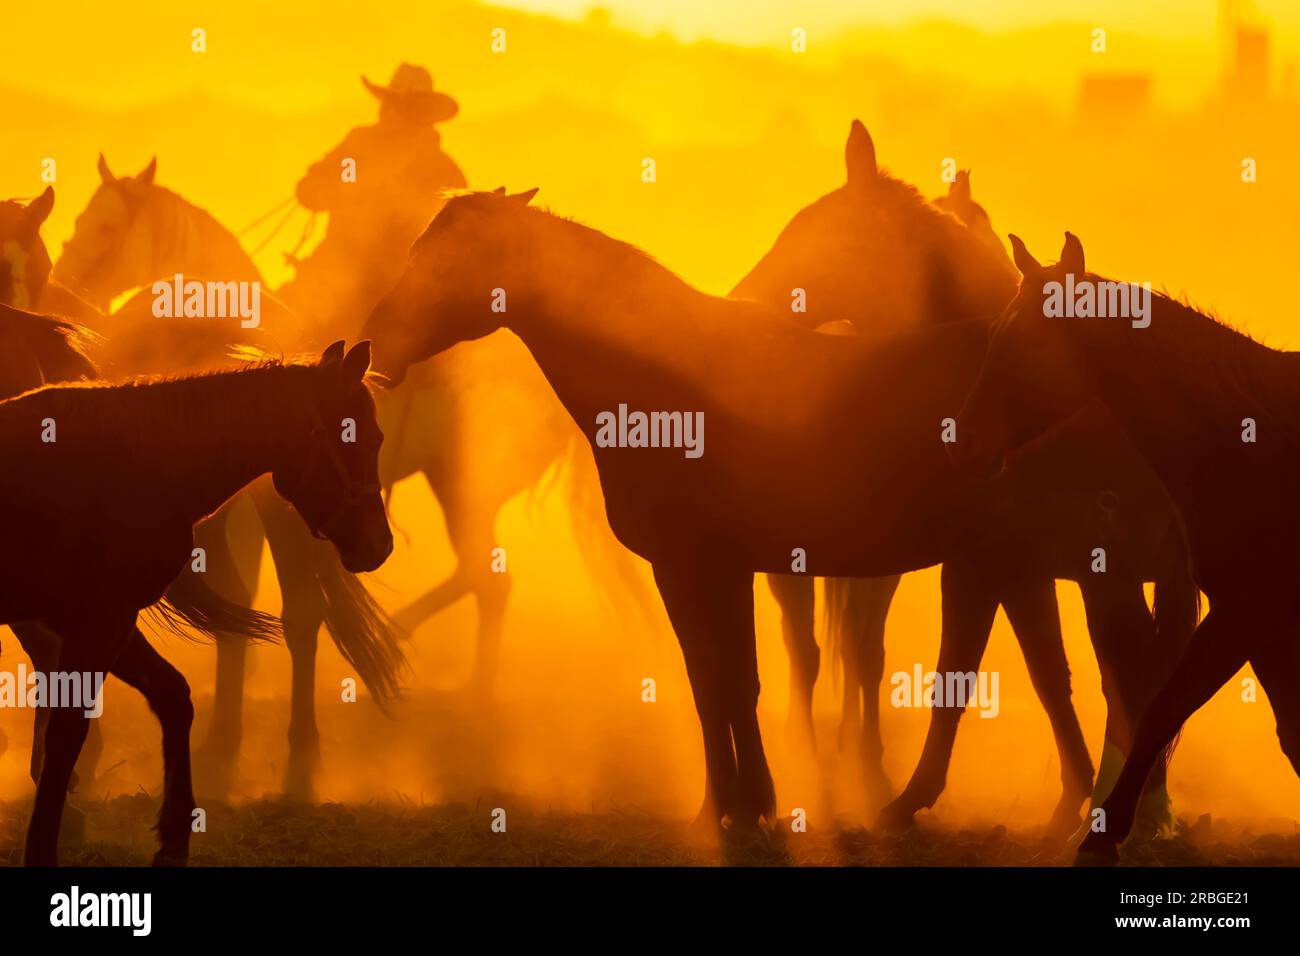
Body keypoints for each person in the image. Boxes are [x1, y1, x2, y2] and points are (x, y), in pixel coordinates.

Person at [278, 64, 467, 335]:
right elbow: (310, 188)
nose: (389, 111)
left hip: (399, 290)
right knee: (283, 325)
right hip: (333, 275)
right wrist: (340, 192)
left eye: (403, 105)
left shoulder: (442, 171)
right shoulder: (360, 145)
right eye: (389, 103)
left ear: (423, 114)